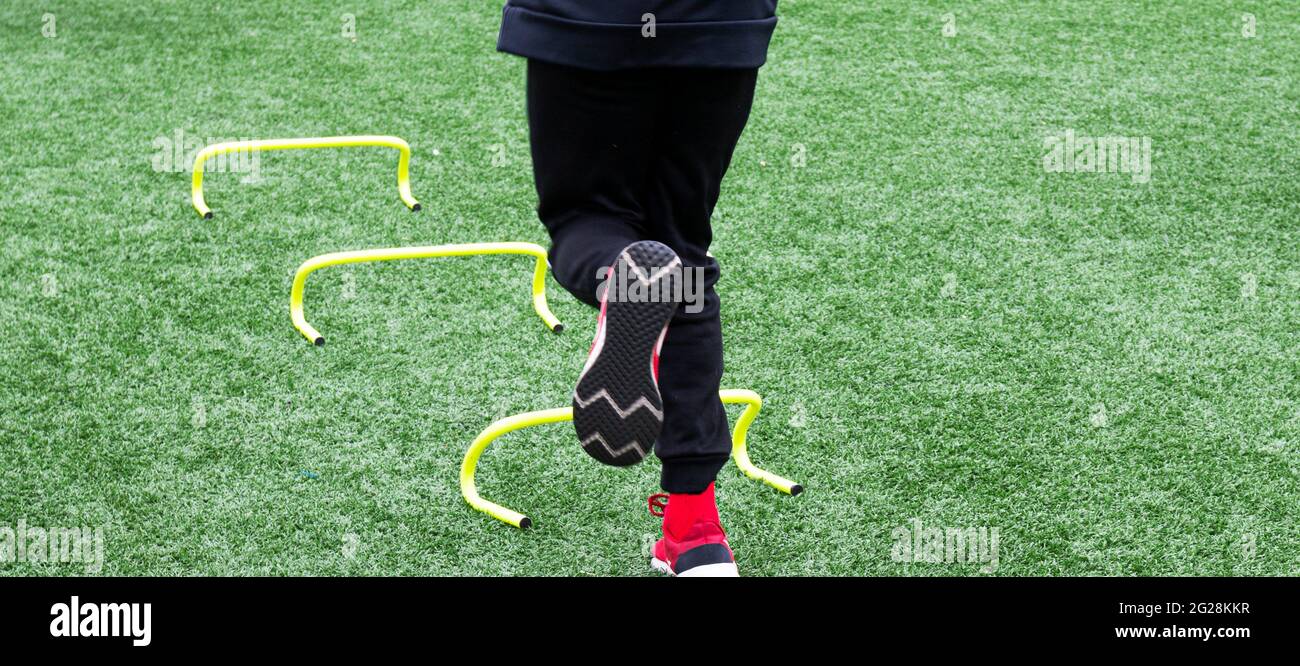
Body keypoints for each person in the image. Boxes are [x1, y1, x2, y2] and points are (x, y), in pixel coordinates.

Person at [497, 0, 778, 576]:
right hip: (719, 24)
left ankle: (617, 269)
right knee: (683, 260)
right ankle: (697, 537)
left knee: (584, 219)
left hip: (594, 20)